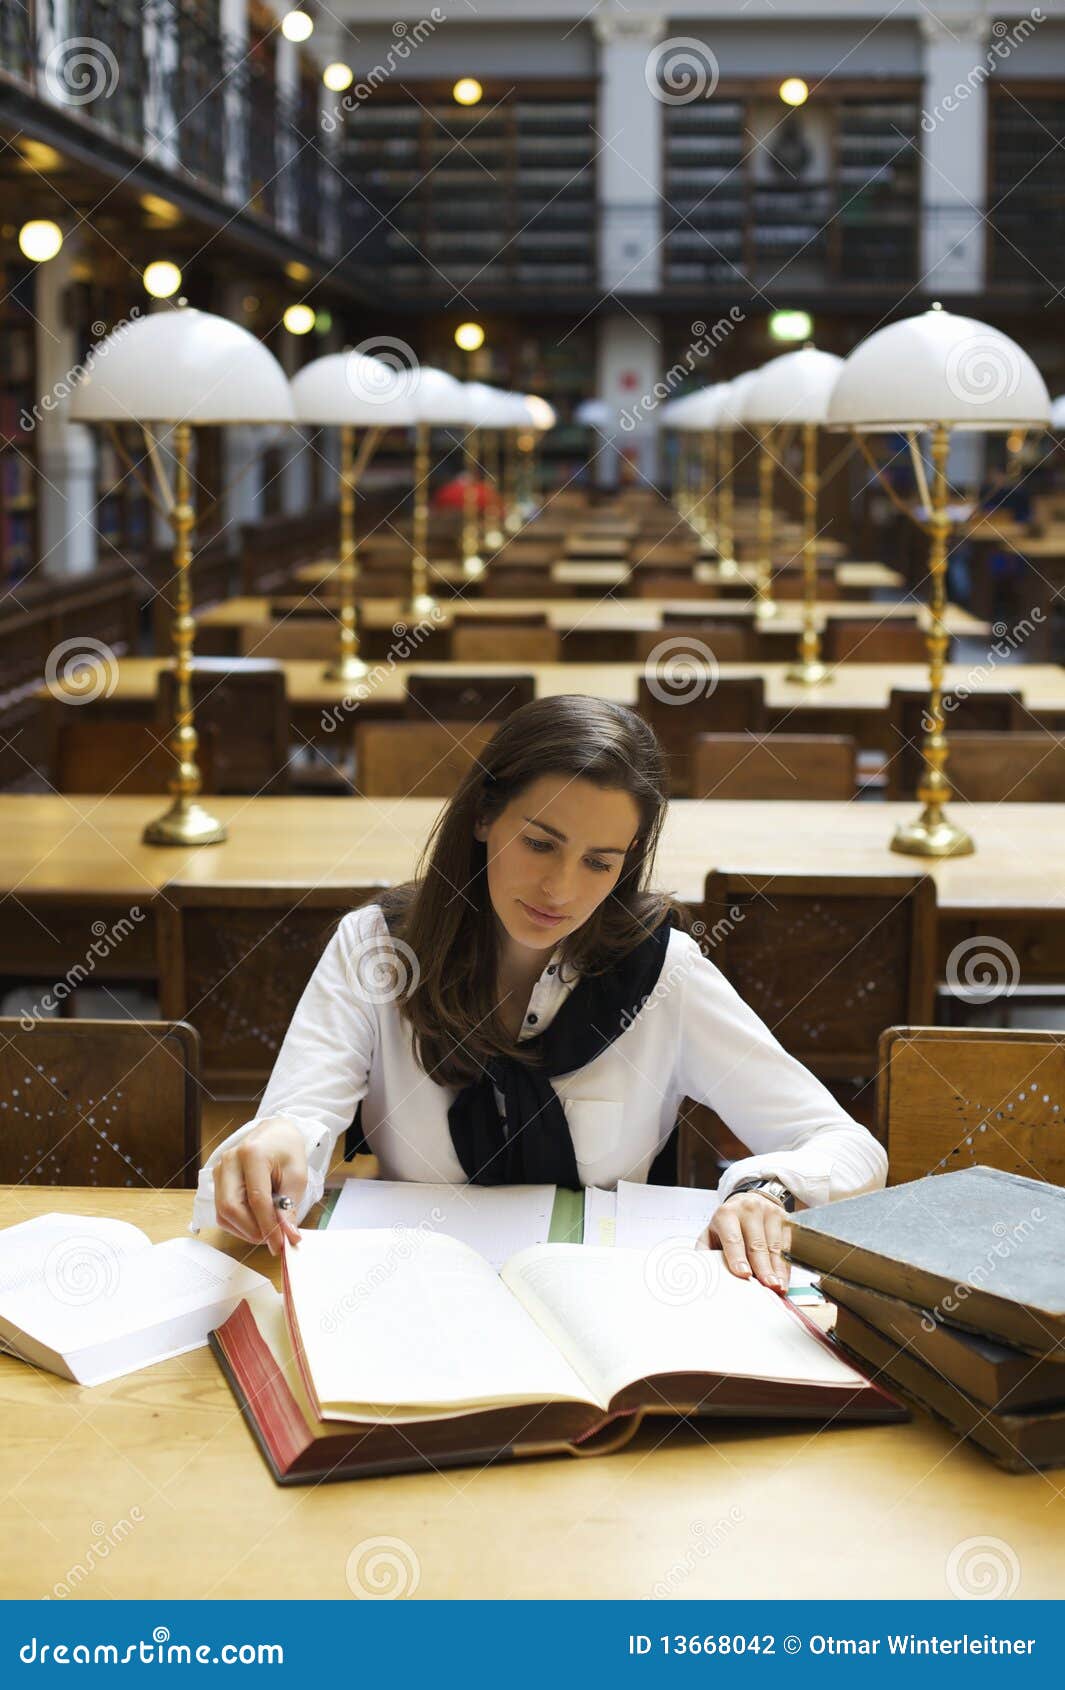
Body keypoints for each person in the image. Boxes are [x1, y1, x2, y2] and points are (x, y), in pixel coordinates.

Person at [192, 695, 887, 1288]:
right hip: (409, 1289)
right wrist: (278, 1143)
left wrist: (767, 1190)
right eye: (539, 844)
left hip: (608, 1303)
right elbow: (296, 1126)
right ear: (482, 818)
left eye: (599, 863)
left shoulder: (664, 973)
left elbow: (844, 1144)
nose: (561, 890)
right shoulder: (378, 950)